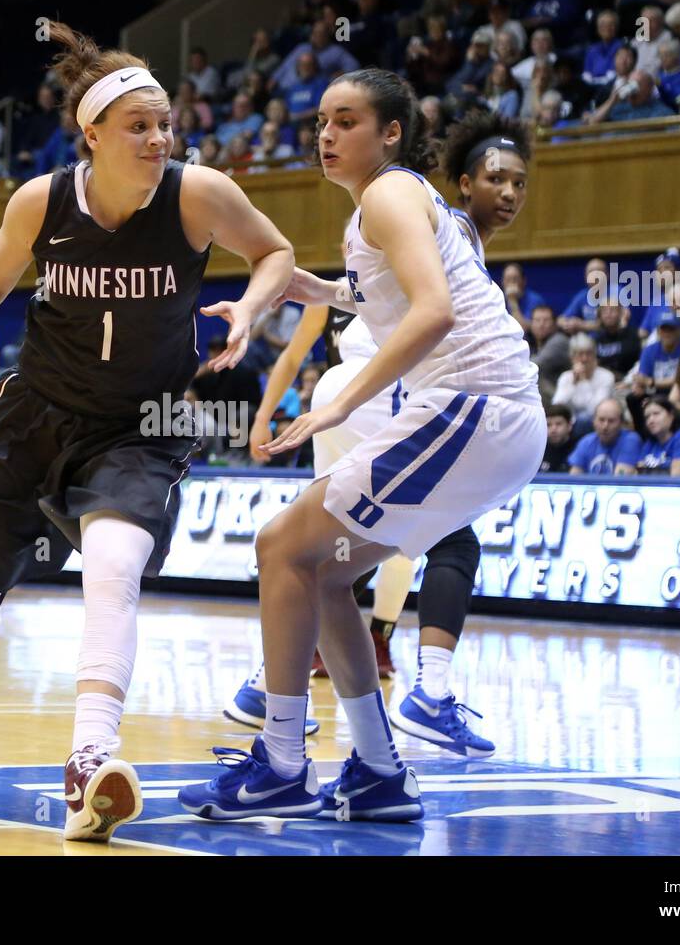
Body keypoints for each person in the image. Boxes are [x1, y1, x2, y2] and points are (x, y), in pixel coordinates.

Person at [0, 21, 293, 844]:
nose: (158, 137)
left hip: (141, 425)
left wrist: (249, 305)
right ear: (91, 133)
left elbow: (274, 252)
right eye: (139, 125)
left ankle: (89, 760)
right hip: (32, 415)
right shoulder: (42, 201)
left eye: (165, 123)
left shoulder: (198, 193)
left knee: (113, 564)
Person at [180, 69, 545, 823]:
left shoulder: (387, 194)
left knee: (281, 545)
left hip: (478, 406)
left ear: (390, 134)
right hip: (492, 419)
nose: (325, 135)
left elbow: (434, 312)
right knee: (320, 573)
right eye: (320, 121)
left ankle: (283, 762)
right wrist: (313, 290)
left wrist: (339, 402)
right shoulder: (385, 207)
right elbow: (385, 291)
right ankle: (378, 771)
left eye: (345, 121)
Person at [553, 333, 615, 437]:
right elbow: (557, 406)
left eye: (588, 354)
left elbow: (594, 410)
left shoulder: (606, 377)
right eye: (580, 354)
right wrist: (573, 383)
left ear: (595, 356)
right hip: (571, 422)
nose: (584, 359)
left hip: (597, 422)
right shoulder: (566, 377)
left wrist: (584, 381)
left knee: (583, 419)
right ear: (572, 358)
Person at [568, 398, 641, 476]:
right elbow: (574, 478)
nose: (605, 426)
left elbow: (620, 480)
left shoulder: (630, 440)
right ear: (594, 421)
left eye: (611, 421)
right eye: (601, 420)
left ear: (621, 423)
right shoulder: (586, 442)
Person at [637, 395, 680, 476]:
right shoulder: (650, 444)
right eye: (647, 417)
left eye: (656, 414)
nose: (650, 420)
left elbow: (677, 478)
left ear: (671, 415)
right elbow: (638, 475)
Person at [542, 403, 576, 472]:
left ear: (569, 426)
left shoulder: (580, 447)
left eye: (558, 424)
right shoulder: (539, 449)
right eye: (548, 425)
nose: (553, 429)